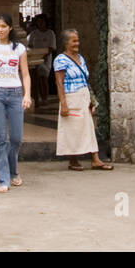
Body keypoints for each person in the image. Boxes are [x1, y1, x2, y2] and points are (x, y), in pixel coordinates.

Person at [0, 13, 31, 192]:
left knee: (16, 138)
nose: (0, 29)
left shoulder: (19, 49)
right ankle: (3, 178)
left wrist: (27, 95)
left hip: (16, 93)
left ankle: (13, 171)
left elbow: (25, 74)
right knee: (1, 138)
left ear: (10, 28)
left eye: (4, 26)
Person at [53, 28, 112, 171]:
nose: (76, 43)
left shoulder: (81, 58)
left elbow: (85, 79)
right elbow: (59, 83)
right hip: (71, 97)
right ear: (66, 43)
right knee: (72, 129)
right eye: (73, 41)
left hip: (83, 96)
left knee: (89, 127)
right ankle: (73, 160)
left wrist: (91, 99)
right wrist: (64, 104)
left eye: (77, 40)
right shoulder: (60, 60)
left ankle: (95, 159)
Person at [25, 14, 56, 105]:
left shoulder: (50, 33)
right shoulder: (33, 34)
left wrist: (45, 56)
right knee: (36, 78)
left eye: (42, 21)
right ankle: (36, 98)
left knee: (44, 78)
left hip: (45, 58)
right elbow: (29, 45)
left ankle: (44, 97)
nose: (40, 23)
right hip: (35, 58)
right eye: (39, 22)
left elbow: (51, 47)